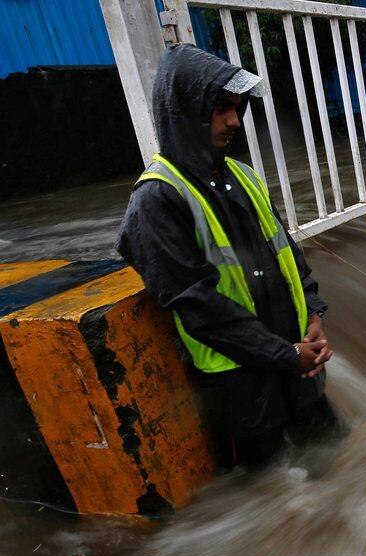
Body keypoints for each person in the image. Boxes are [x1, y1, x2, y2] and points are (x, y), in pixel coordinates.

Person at [116, 45, 334, 469]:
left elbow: (287, 253)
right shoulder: (157, 200)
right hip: (245, 389)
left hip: (299, 368)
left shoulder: (243, 175)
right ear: (184, 111)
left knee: (335, 466)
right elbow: (199, 306)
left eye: (236, 108)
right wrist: (284, 355)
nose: (234, 121)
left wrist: (313, 314)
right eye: (220, 109)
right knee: (272, 495)